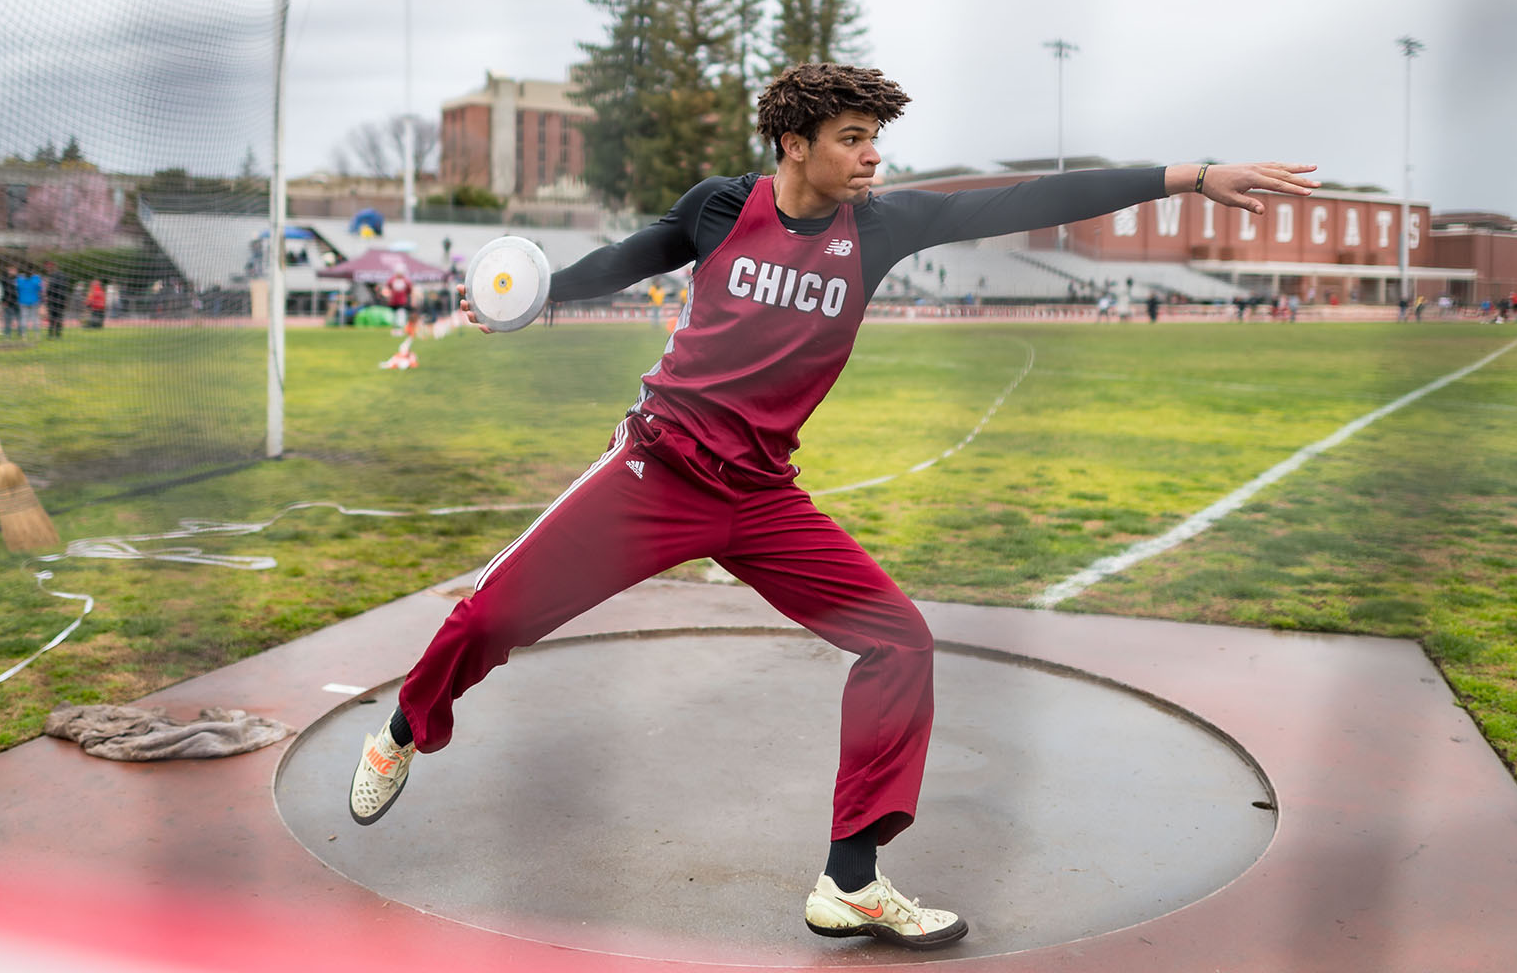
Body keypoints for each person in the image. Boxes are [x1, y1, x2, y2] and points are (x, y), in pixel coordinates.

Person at [344, 62, 1319, 949]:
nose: (871, 155)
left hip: (764, 498)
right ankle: (403, 730)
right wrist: (527, 293)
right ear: (795, 144)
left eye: (874, 137)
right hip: (660, 469)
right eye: (853, 137)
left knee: (900, 640)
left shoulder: (884, 227)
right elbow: (624, 260)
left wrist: (1190, 176)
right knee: (493, 615)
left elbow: (1027, 197)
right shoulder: (721, 209)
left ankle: (851, 880)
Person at [43, 259, 69, 339]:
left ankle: (52, 334)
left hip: (55, 300)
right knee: (58, 317)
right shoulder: (62, 275)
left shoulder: (53, 277)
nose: (47, 268)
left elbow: (51, 288)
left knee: (53, 318)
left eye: (48, 267)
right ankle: (57, 334)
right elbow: (65, 288)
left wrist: (47, 293)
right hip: (60, 299)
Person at [16, 263, 43, 339]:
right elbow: (40, 289)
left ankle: (24, 335)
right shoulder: (37, 278)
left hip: (23, 301)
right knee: (35, 318)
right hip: (34, 300)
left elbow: (17, 289)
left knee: (23, 318)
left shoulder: (19, 278)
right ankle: (37, 335)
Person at [0, 264, 22, 337]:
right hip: (7, 302)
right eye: (11, 270)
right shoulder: (4, 279)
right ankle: (7, 334)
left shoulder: (19, 279)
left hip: (18, 301)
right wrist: (3, 301)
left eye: (14, 270)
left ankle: (21, 333)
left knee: (19, 318)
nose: (13, 271)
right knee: (8, 319)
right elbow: (2, 291)